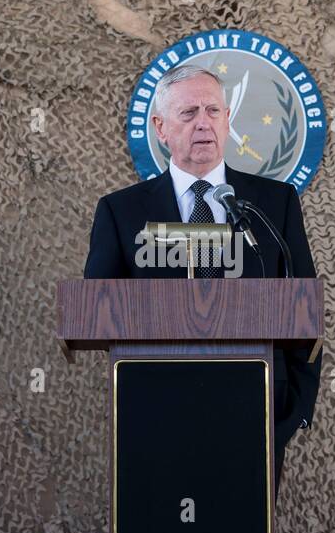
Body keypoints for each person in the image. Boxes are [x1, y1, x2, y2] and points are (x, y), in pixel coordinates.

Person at [84, 64, 321, 487]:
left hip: (257, 410)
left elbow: (305, 311)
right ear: (160, 127)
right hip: (157, 412)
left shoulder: (274, 203)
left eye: (213, 110)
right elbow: (97, 311)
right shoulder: (121, 212)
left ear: (228, 120)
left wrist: (296, 408)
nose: (203, 123)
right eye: (189, 113)